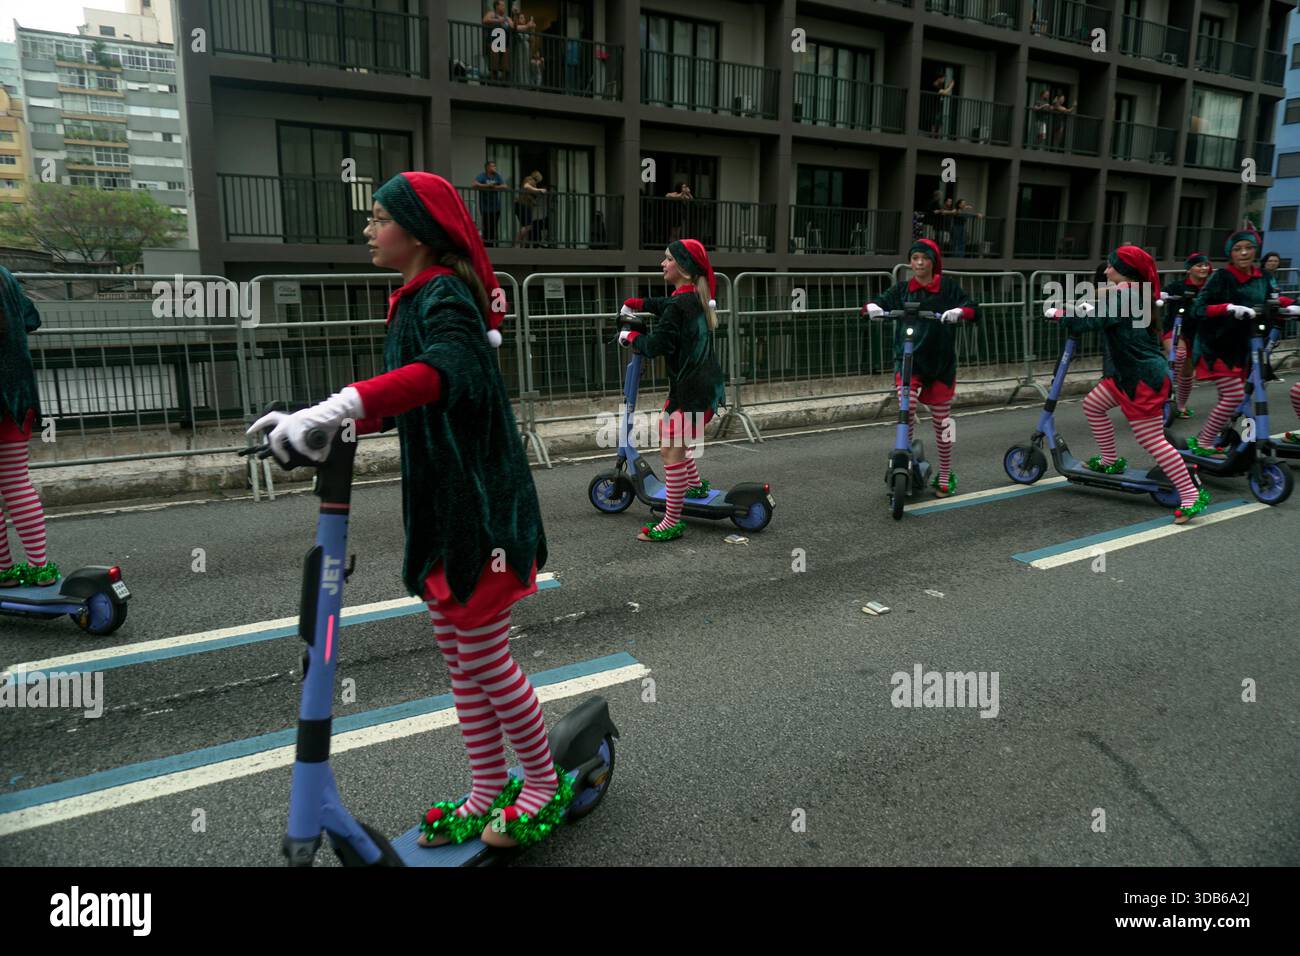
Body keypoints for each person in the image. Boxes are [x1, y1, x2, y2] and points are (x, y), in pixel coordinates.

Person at [247, 172, 564, 849]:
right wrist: (319, 420)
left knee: (485, 658)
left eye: (379, 217)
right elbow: (404, 398)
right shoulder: (415, 295)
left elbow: (443, 372)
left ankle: (539, 782)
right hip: (442, 507)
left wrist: (340, 404)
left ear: (417, 230)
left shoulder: (444, 294)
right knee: (459, 658)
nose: (368, 229)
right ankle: (486, 787)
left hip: (481, 507)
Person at [1045, 248, 1206, 523]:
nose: (1106, 271)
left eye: (1110, 267)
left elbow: (1091, 323)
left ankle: (1191, 493)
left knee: (1152, 440)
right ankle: (1110, 461)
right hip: (1125, 375)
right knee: (1093, 405)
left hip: (1142, 378)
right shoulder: (1134, 293)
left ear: (1126, 270)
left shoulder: (1127, 295)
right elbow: (1107, 314)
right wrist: (1085, 308)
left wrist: (1060, 314)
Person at [618, 239, 726, 541]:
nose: (662, 264)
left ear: (683, 267)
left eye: (667, 259)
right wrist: (640, 303)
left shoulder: (683, 303)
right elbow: (666, 306)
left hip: (694, 391)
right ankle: (694, 485)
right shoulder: (690, 297)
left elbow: (656, 346)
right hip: (696, 386)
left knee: (669, 451)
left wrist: (630, 337)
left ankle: (671, 522)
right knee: (670, 433)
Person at [861, 238, 978, 497]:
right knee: (907, 407)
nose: (919, 263)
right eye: (915, 258)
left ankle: (946, 473)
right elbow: (879, 302)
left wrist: (959, 311)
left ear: (933, 262)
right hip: (908, 359)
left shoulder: (947, 288)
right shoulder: (903, 289)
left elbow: (973, 307)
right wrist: (872, 308)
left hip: (940, 363)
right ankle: (905, 461)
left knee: (943, 421)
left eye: (924, 258)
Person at [1190, 227, 1300, 458]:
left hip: (1248, 347)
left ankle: (1232, 438)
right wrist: (1228, 308)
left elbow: (1272, 299)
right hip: (1217, 346)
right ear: (1231, 253)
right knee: (1234, 396)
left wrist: (1290, 305)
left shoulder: (1265, 277)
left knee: (1243, 396)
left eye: (1248, 248)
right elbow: (1199, 308)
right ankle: (1204, 441)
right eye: (1238, 249)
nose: (1244, 253)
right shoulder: (1221, 277)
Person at [0, 266, 57, 589]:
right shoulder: (4, 275)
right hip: (16, 392)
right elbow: (31, 319)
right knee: (16, 481)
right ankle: (40, 566)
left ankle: (3, 570)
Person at [1159, 252, 1212, 419]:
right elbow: (1162, 294)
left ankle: (1180, 405)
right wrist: (1162, 296)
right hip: (1175, 329)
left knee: (1188, 373)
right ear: (1189, 269)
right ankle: (1163, 396)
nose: (1203, 268)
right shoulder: (1178, 286)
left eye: (1205, 265)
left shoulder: (1211, 288)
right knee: (1178, 355)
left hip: (1196, 335)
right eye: (1198, 265)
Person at [472, 160, 506, 246]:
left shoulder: (497, 176)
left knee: (494, 227)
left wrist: (494, 187)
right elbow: (474, 184)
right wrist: (487, 186)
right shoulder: (482, 176)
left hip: (496, 207)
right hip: (485, 207)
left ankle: (495, 245)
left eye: (495, 166)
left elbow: (504, 186)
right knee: (487, 227)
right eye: (492, 166)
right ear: (487, 167)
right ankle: (487, 245)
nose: (494, 168)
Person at [513, 170, 546, 247]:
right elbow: (526, 186)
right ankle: (516, 243)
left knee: (525, 226)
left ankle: (522, 245)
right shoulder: (530, 180)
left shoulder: (532, 182)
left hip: (523, 204)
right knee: (528, 226)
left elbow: (527, 193)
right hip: (523, 204)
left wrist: (533, 201)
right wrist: (539, 190)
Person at [482, 1, 511, 82]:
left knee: (505, 67)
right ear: (497, 6)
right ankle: (493, 84)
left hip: (505, 44)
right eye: (502, 5)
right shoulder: (492, 13)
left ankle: (504, 85)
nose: (504, 7)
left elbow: (513, 27)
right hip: (494, 42)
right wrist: (498, 20)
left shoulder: (506, 18)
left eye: (504, 6)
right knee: (494, 66)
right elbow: (485, 20)